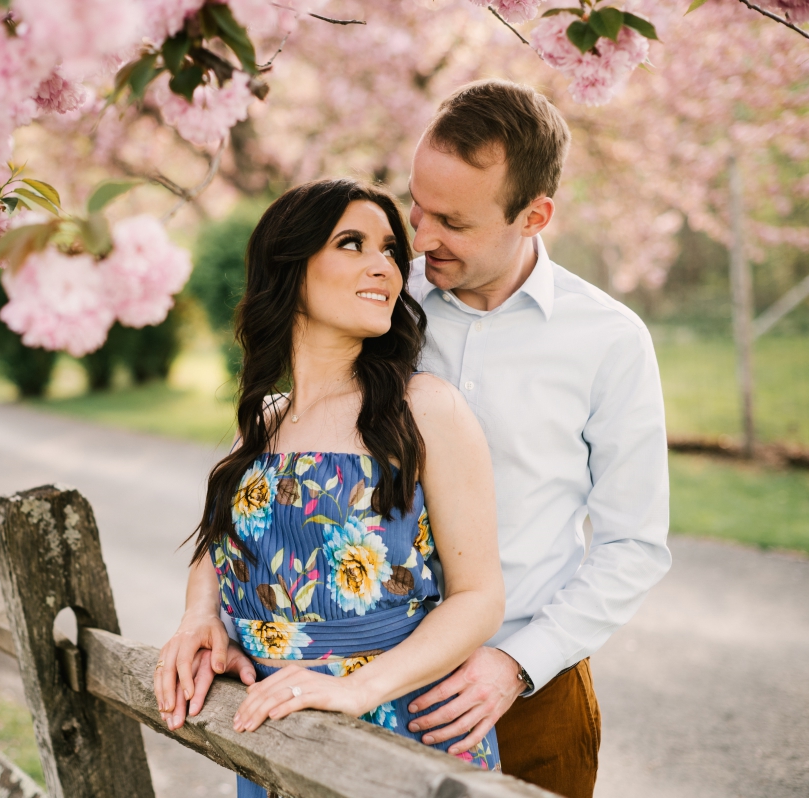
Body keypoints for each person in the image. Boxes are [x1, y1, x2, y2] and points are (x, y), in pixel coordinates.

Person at [162, 79, 672, 798]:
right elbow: (264, 498)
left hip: (534, 678)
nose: (422, 240)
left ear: (534, 216)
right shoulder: (380, 301)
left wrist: (516, 663)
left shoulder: (608, 341)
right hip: (370, 677)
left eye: (453, 222)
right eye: (417, 208)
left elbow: (634, 544)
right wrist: (201, 608)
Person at [154, 178, 506, 798]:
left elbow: (479, 597)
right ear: (289, 268)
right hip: (278, 736)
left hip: (399, 732)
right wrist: (199, 615)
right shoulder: (264, 421)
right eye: (353, 243)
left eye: (392, 251)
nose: (387, 268)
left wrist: (355, 690)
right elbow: (225, 541)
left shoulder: (422, 409)